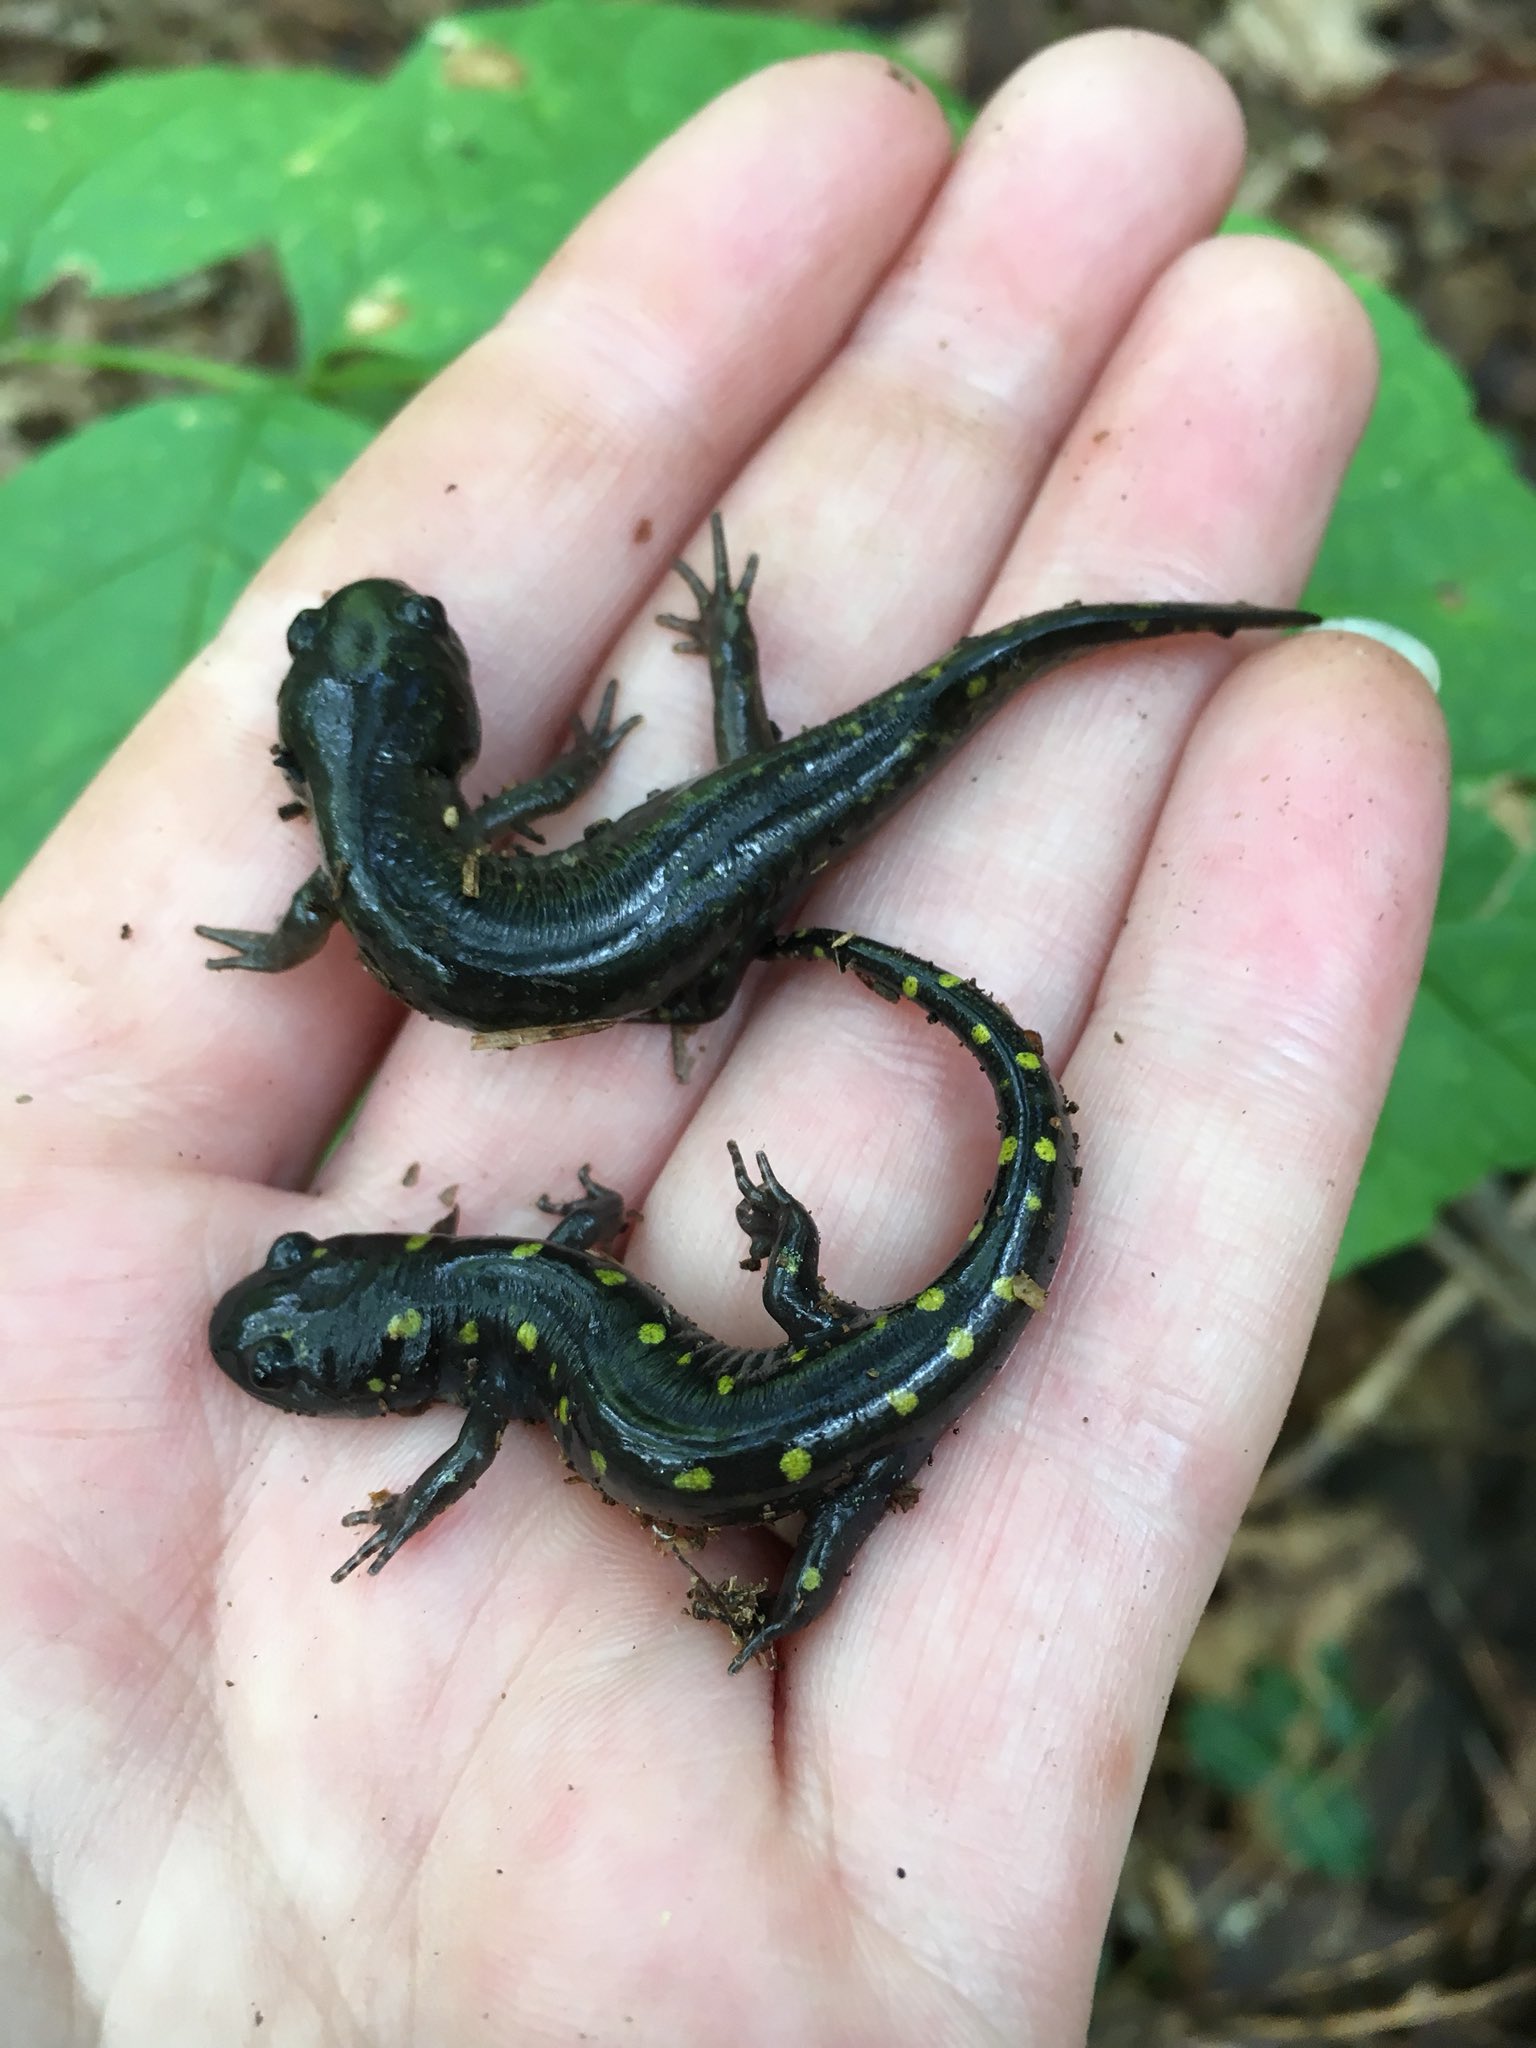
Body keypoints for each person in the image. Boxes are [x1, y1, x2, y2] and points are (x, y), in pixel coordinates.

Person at [0, 29, 1446, 2044]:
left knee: (825, 805)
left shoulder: (504, 1287)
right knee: (770, 861)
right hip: (729, 1053)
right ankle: (888, 884)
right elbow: (538, 1316)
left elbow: (508, 1381)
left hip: (721, 1019)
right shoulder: (500, 1271)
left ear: (394, 1314)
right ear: (373, 1283)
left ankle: (956, 795)